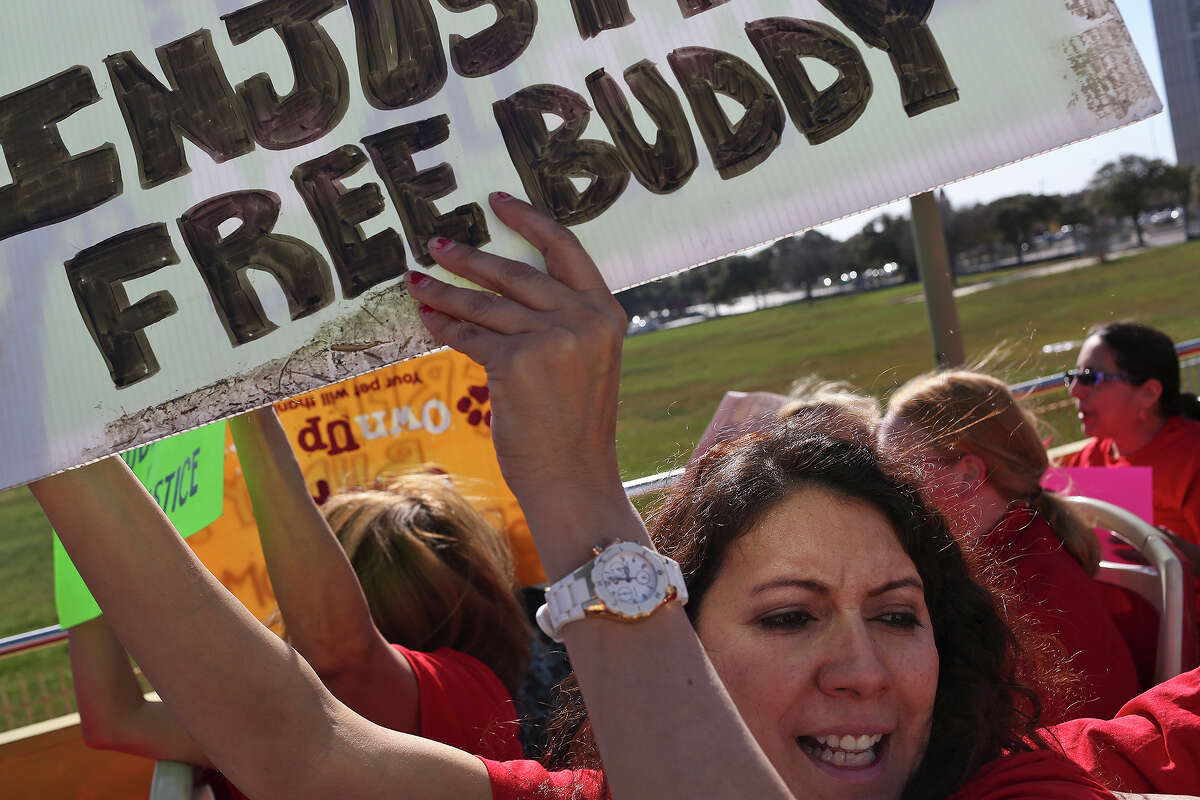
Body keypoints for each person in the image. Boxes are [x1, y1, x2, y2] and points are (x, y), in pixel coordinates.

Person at [29, 194, 1196, 800]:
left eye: (900, 612)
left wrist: (580, 489)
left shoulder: (1023, 781)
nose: (865, 669)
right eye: (789, 614)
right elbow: (297, 740)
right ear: (684, 645)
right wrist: (45, 430)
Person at [65, 413, 529, 786]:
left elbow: (115, 718)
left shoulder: (285, 706)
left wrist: (80, 518)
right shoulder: (480, 691)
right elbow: (114, 721)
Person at [879, 371, 1139, 719]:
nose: (887, 492)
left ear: (968, 474)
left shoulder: (1015, 589)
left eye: (900, 473)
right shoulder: (1019, 542)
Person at [1059, 322, 1200, 544]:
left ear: (1148, 393)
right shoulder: (1088, 460)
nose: (1074, 390)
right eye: (1073, 376)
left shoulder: (1192, 459)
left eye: (1090, 377)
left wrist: (1175, 556)